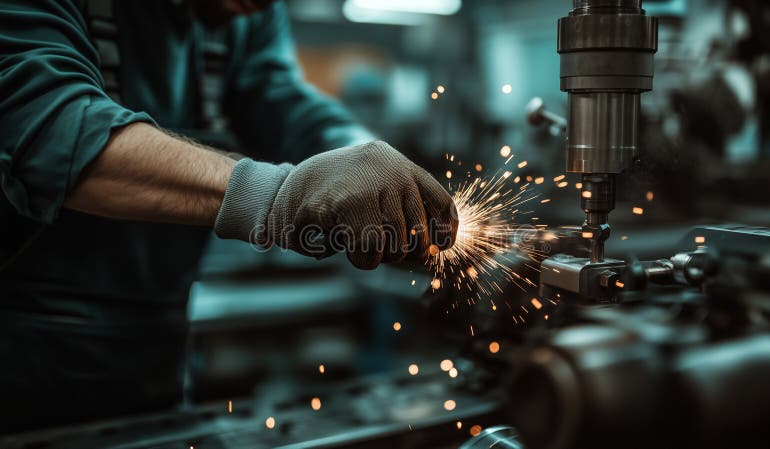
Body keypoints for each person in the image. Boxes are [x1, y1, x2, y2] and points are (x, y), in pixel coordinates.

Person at [0, 0, 457, 433]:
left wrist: (366, 159)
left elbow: (283, 104)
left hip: (154, 354)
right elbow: (48, 127)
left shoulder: (242, 13)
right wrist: (276, 194)